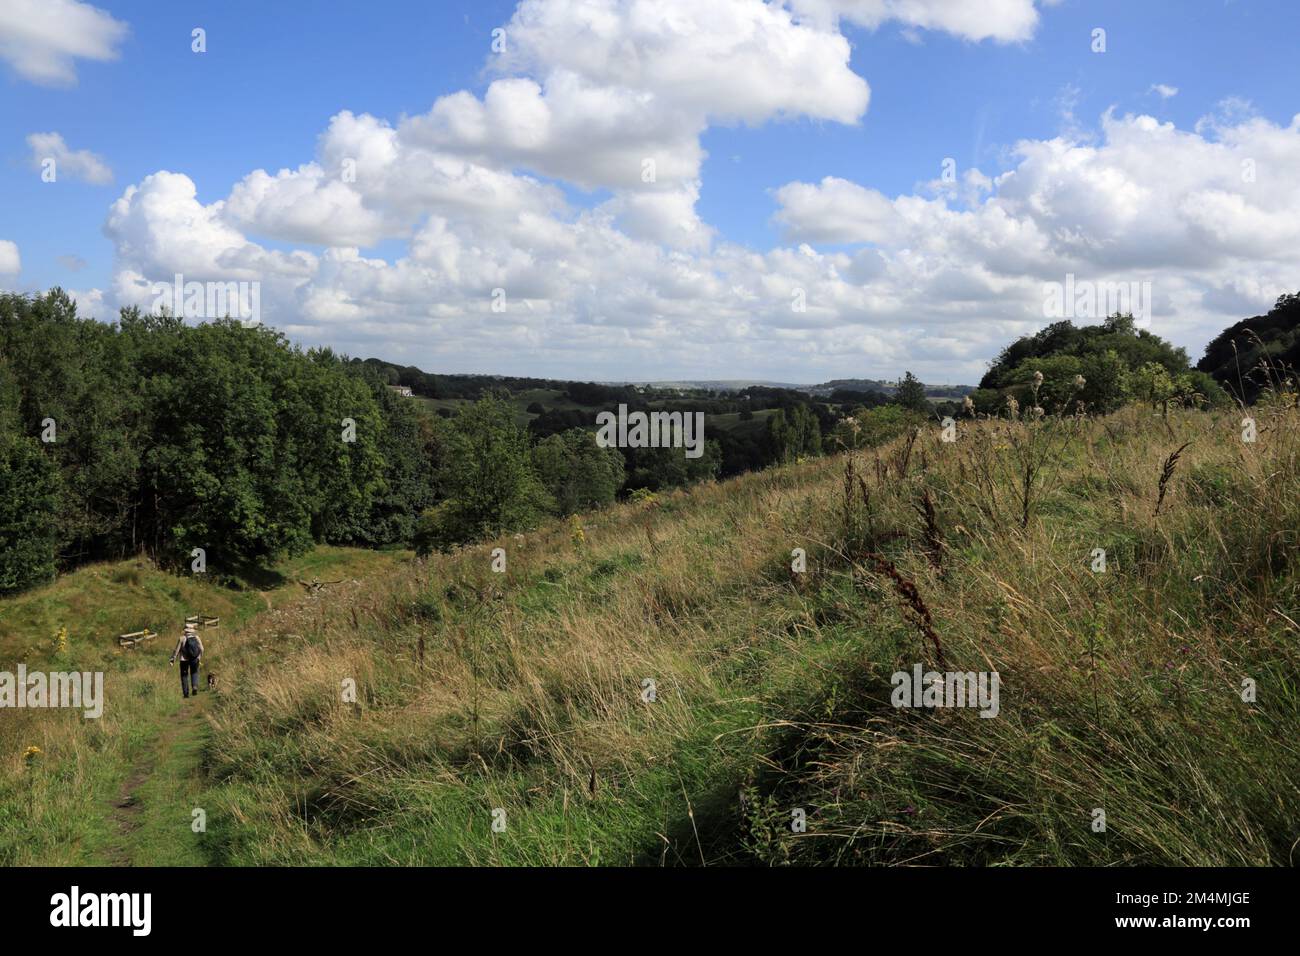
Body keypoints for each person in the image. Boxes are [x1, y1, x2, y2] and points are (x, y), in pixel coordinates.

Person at [170, 623, 204, 698]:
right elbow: (202, 649)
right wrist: (199, 657)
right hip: (195, 659)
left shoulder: (182, 638)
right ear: (192, 630)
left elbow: (177, 650)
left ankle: (186, 693)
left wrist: (173, 659)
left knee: (184, 676)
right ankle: (194, 686)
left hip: (184, 660)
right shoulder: (197, 637)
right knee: (194, 673)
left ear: (185, 630)